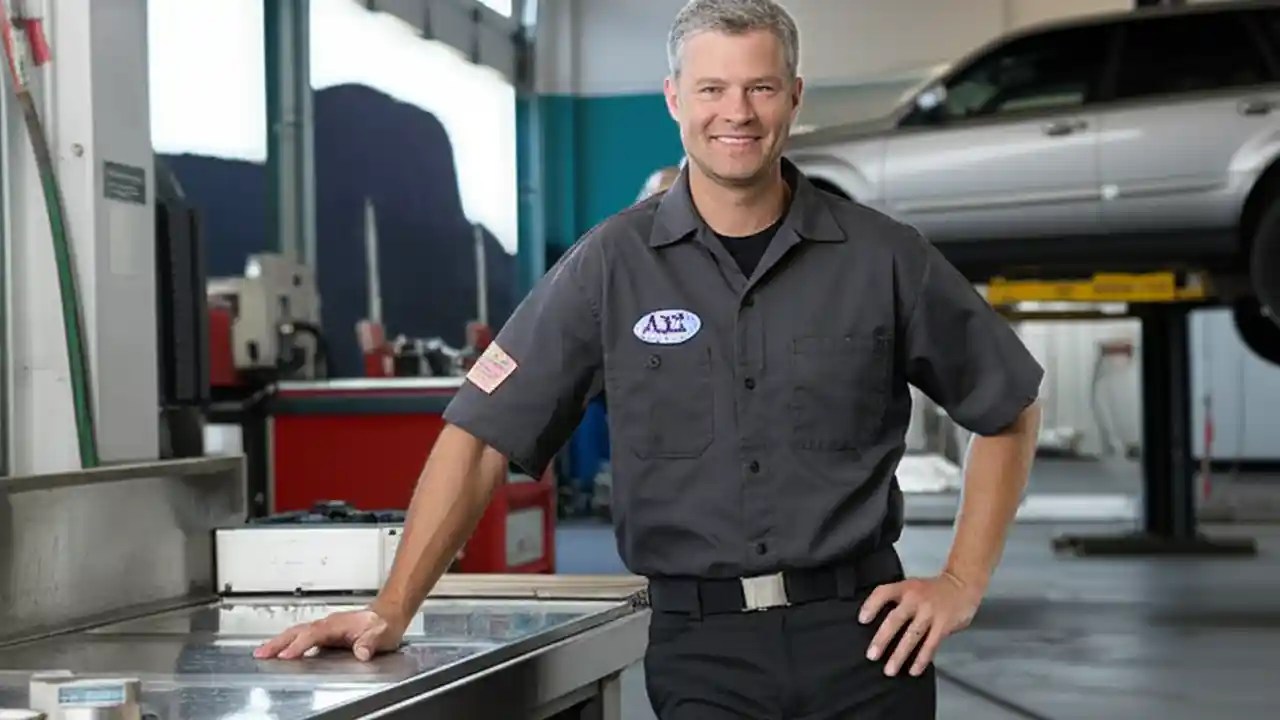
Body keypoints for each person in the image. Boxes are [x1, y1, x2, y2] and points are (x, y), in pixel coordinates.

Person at [255, 0, 1044, 716]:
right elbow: (480, 437)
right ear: (674, 99)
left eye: (761, 88)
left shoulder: (884, 257)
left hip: (867, 643)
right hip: (703, 653)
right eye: (711, 89)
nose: (736, 112)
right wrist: (393, 608)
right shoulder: (610, 266)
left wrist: (961, 581)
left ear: (795, 97)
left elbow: (1008, 408)